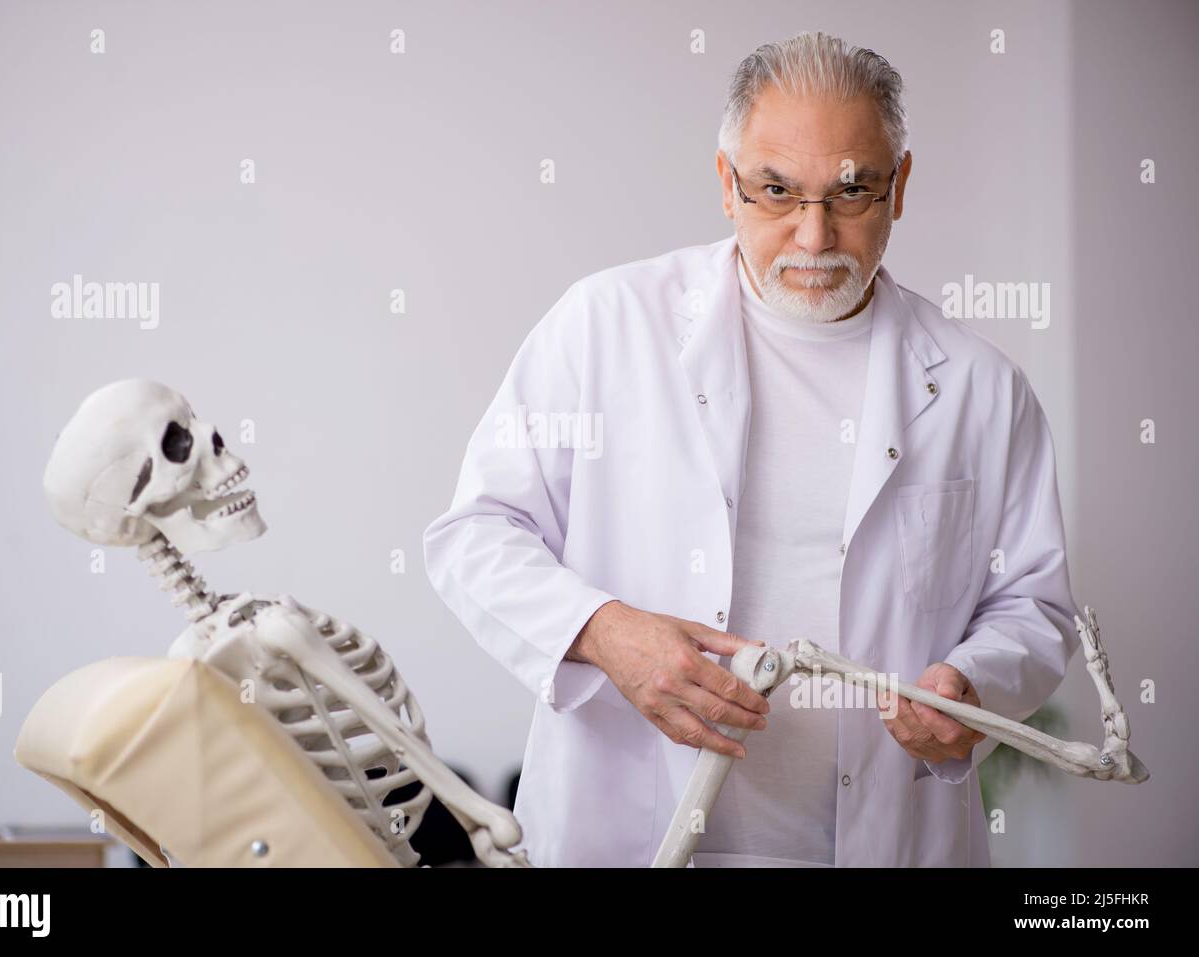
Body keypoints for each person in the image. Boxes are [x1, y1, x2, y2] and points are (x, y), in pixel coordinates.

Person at [423, 31, 1079, 867]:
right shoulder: (605, 327)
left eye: (851, 192)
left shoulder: (982, 389)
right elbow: (473, 533)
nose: (814, 237)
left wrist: (973, 682)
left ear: (900, 185)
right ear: (727, 184)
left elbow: (1035, 603)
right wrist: (603, 631)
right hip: (623, 836)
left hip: (885, 841)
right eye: (777, 191)